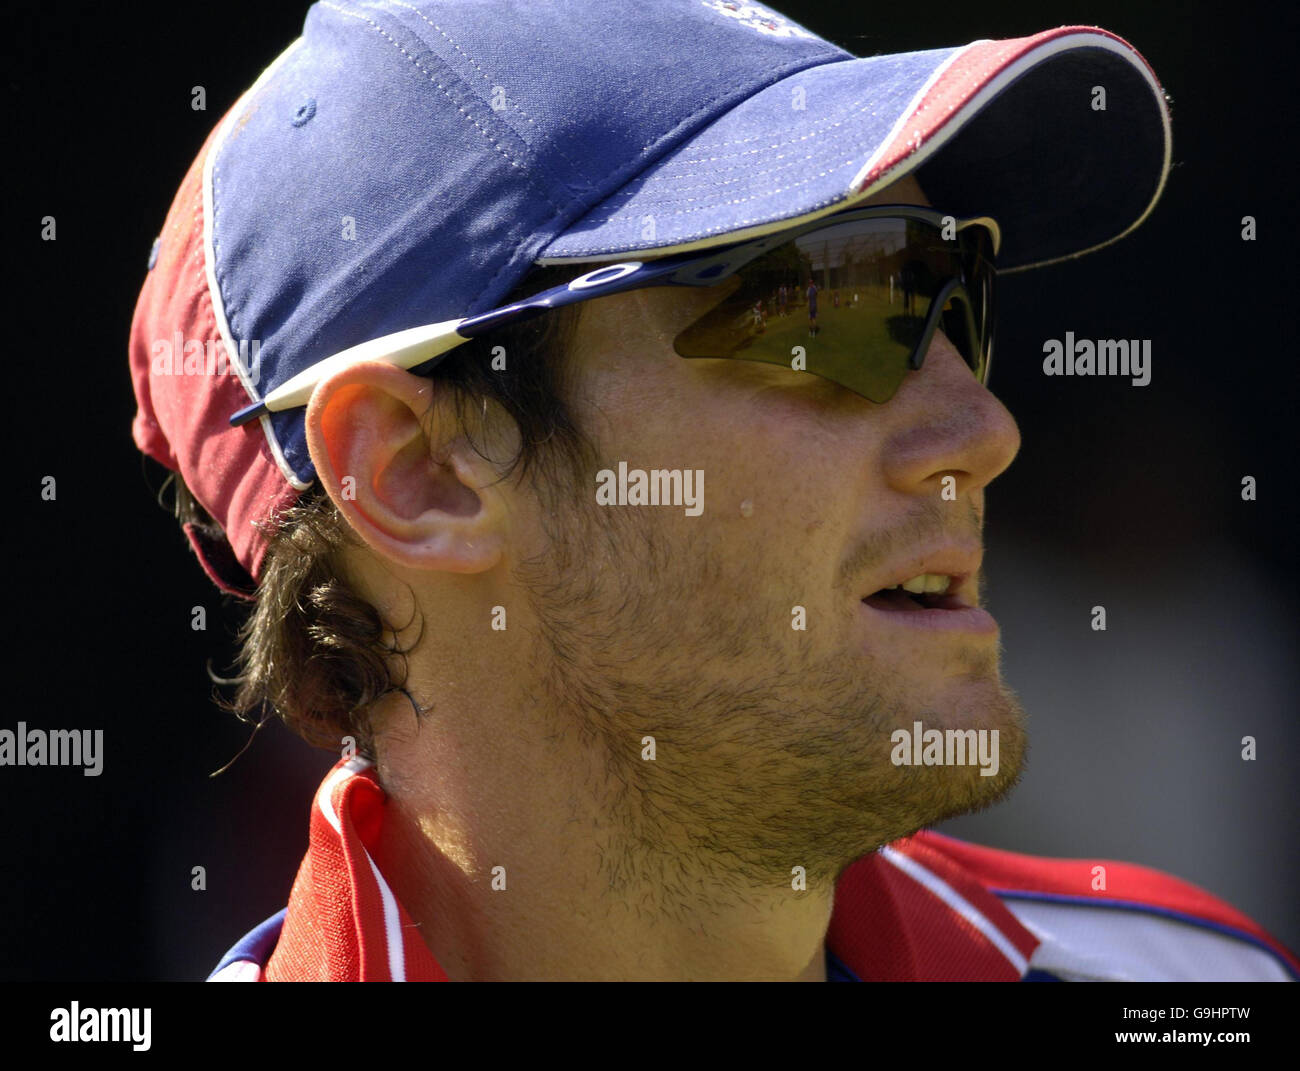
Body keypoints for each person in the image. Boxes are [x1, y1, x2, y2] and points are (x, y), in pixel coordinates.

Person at [129, 0, 1296, 981]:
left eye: (956, 296)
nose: (982, 432)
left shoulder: (1196, 982)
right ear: (419, 473)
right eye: (832, 306)